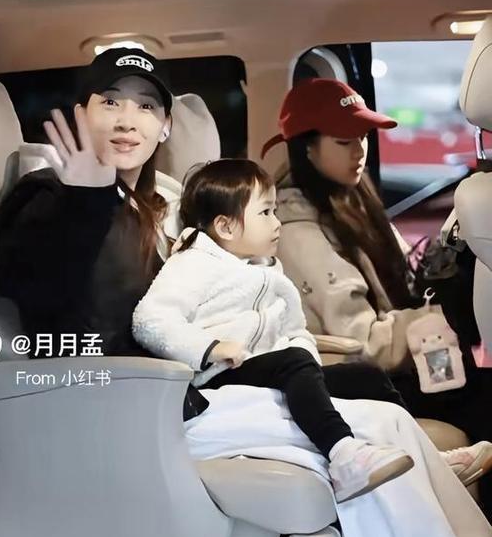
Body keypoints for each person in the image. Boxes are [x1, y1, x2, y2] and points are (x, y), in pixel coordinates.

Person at [137, 156, 492, 503]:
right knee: (293, 361)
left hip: (273, 370)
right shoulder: (193, 263)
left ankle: (425, 456)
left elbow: (297, 331)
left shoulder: (267, 270)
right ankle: (344, 456)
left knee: (365, 376)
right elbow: (150, 320)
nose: (277, 223)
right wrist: (210, 347)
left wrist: (311, 365)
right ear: (226, 227)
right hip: (220, 375)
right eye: (265, 213)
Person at [262, 78, 492, 499]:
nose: (359, 151)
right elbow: (362, 342)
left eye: (363, 137)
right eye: (343, 141)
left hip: (403, 369)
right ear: (306, 148)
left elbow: (406, 283)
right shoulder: (297, 230)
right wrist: (440, 317)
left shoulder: (352, 202)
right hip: (360, 383)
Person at [0, 46, 209, 419]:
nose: (127, 122)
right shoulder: (49, 194)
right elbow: (30, 281)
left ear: (166, 126)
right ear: (82, 116)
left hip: (177, 391)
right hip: (108, 402)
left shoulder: (165, 205)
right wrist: (85, 202)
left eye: (146, 106)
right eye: (110, 102)